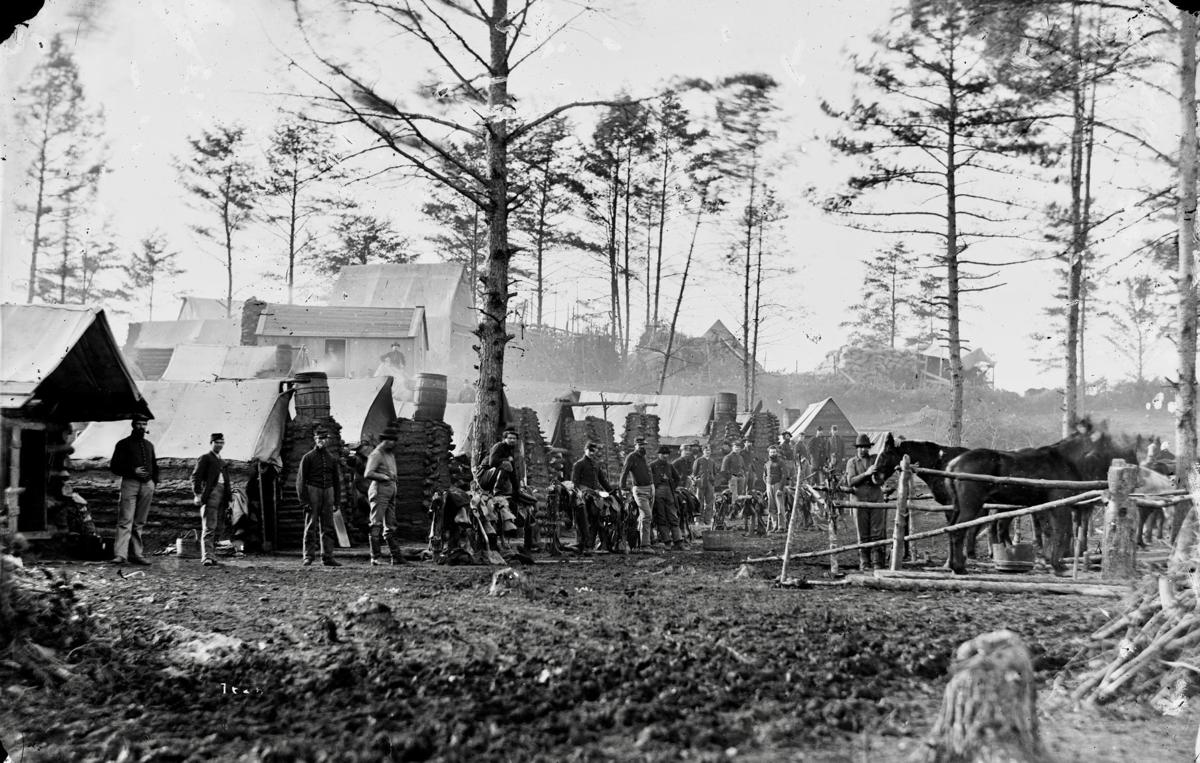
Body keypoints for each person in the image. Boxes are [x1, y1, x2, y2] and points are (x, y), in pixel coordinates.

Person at [109, 414, 158, 566]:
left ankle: (137, 554)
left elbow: (155, 466)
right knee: (125, 520)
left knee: (140, 521)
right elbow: (114, 467)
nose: (141, 427)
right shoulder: (123, 444)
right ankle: (120, 555)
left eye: (144, 424)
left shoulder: (149, 445)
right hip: (130, 483)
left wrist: (153, 482)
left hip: (147, 485)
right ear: (133, 425)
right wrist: (133, 470)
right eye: (139, 424)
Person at [297, 426, 342, 567]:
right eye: (319, 438)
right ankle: (308, 556)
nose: (322, 441)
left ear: (327, 440)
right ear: (315, 440)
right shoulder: (308, 458)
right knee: (311, 526)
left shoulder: (332, 459)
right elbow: (300, 481)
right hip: (313, 492)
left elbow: (336, 481)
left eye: (324, 438)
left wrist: (337, 501)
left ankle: (327, 557)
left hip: (328, 492)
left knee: (328, 526)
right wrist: (304, 501)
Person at [845, 433, 887, 570]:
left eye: (866, 447)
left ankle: (877, 563)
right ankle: (865, 563)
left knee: (877, 532)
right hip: (859, 501)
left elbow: (882, 477)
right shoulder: (852, 462)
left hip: (876, 499)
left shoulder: (875, 460)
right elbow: (851, 482)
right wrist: (866, 474)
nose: (863, 450)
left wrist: (878, 475)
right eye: (861, 447)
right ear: (857, 448)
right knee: (863, 533)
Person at [364, 425, 403, 565]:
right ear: (386, 441)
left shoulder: (390, 454)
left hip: (391, 492)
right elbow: (368, 473)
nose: (394, 443)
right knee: (376, 524)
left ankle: (396, 557)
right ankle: (375, 557)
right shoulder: (376, 454)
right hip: (379, 491)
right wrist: (384, 477)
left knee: (391, 525)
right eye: (391, 440)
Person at [191, 432, 231, 567]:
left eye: (221, 442)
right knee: (209, 526)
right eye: (217, 442)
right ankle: (206, 556)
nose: (219, 445)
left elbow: (226, 481)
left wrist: (229, 497)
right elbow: (195, 477)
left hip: (223, 494)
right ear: (211, 443)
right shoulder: (205, 458)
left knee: (219, 527)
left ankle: (212, 555)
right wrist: (197, 494)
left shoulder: (221, 461)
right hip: (211, 494)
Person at [571, 441, 614, 553]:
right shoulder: (579, 464)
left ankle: (592, 544)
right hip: (583, 495)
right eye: (590, 450)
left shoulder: (596, 465)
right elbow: (575, 482)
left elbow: (602, 480)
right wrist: (579, 493)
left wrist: (611, 491)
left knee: (597, 519)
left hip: (595, 495)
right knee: (584, 521)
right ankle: (583, 544)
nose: (591, 453)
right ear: (585, 450)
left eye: (593, 451)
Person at [619, 436, 654, 548]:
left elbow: (648, 472)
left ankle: (641, 541)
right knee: (646, 516)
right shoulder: (631, 457)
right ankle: (645, 545)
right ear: (635, 445)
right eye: (640, 445)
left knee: (646, 516)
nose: (642, 447)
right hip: (639, 490)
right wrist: (623, 487)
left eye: (643, 445)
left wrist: (652, 486)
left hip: (649, 488)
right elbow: (624, 472)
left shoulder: (644, 457)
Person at [650, 445, 684, 549]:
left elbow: (677, 478)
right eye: (662, 454)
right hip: (657, 493)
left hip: (669, 493)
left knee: (673, 517)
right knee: (661, 517)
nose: (665, 456)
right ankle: (667, 542)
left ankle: (678, 541)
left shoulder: (670, 466)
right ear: (658, 454)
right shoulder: (652, 466)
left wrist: (672, 487)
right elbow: (649, 480)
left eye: (667, 454)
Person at [691, 444, 718, 528]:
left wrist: (713, 480)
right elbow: (694, 473)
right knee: (699, 502)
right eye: (706, 450)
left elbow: (714, 472)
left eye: (709, 450)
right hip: (700, 483)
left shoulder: (712, 461)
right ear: (703, 451)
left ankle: (708, 520)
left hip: (710, 483)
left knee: (709, 502)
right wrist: (695, 481)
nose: (708, 452)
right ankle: (698, 520)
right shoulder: (698, 461)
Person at [763, 445, 788, 533]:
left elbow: (784, 475)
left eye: (774, 452)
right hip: (769, 486)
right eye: (771, 452)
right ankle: (775, 526)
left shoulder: (781, 462)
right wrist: (767, 486)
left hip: (778, 485)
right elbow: (765, 475)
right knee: (771, 507)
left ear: (776, 452)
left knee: (780, 507)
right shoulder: (767, 464)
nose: (772, 453)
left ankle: (782, 527)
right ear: (769, 453)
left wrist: (780, 488)